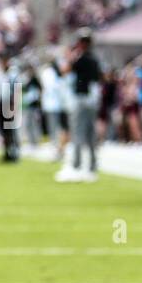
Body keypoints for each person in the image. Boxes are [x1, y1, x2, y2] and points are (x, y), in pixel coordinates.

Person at [57, 31, 101, 183]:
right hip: (92, 101)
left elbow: (64, 70)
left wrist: (70, 56)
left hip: (81, 100)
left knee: (77, 132)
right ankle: (92, 166)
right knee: (89, 134)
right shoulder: (94, 60)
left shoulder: (81, 59)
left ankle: (75, 166)